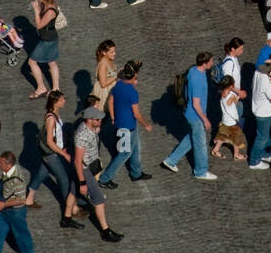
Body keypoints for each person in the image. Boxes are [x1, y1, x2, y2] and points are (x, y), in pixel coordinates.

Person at [24, 91, 84, 226]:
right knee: (64, 180)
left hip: (51, 153)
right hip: (52, 154)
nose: (64, 101)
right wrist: (64, 154)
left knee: (41, 174)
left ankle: (29, 199)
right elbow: (50, 142)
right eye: (62, 100)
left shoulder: (54, 113)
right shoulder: (51, 118)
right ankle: (71, 209)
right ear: (56, 102)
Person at [162, 51, 218, 180]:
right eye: (210, 61)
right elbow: (196, 103)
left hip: (191, 113)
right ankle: (201, 171)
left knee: (192, 139)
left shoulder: (194, 70)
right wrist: (205, 119)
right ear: (204, 63)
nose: (212, 63)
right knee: (200, 144)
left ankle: (171, 161)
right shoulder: (197, 79)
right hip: (196, 116)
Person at [73, 107, 124, 240]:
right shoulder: (82, 136)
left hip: (91, 165)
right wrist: (83, 182)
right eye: (97, 119)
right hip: (85, 170)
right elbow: (78, 161)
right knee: (99, 199)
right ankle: (105, 231)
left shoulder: (91, 127)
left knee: (71, 191)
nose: (100, 121)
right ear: (89, 120)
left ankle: (68, 215)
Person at [99, 61, 153, 184]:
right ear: (134, 76)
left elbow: (110, 102)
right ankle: (105, 178)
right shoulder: (133, 93)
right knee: (125, 153)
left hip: (120, 123)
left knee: (135, 148)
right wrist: (146, 125)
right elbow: (136, 114)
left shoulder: (117, 85)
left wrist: (113, 118)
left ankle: (136, 172)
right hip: (128, 127)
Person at [26, 0, 61, 99]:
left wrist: (36, 10)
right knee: (52, 62)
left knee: (32, 62)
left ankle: (41, 88)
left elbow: (39, 25)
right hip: (50, 37)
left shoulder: (50, 10)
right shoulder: (47, 4)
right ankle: (56, 88)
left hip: (47, 40)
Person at [211, 77, 247, 161]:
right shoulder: (231, 95)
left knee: (222, 136)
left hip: (225, 120)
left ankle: (215, 150)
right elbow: (235, 102)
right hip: (232, 123)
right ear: (231, 86)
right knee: (237, 138)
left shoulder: (222, 94)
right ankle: (237, 155)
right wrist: (238, 96)